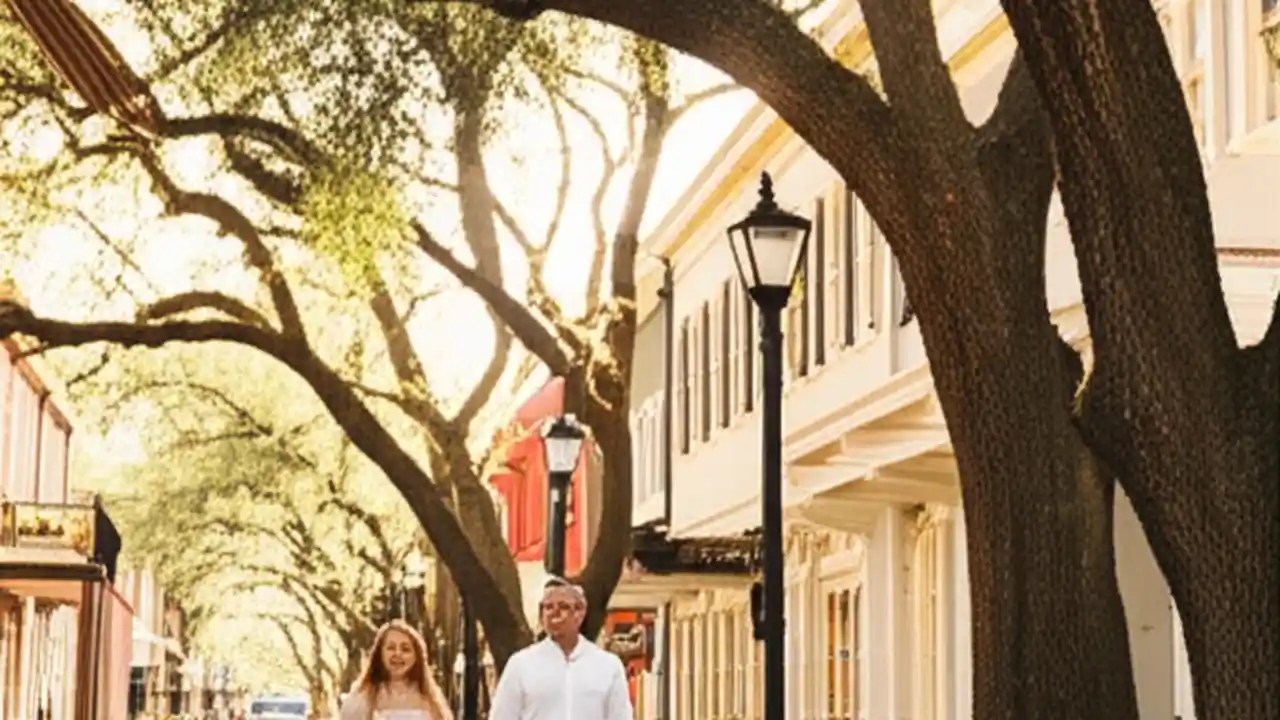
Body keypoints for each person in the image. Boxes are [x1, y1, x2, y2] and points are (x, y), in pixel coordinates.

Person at [489, 577, 633, 720]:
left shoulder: (608, 666)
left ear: (580, 613)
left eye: (563, 606)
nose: (554, 613)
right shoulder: (521, 665)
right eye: (548, 607)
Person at [340, 619, 452, 720]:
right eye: (391, 648)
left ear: (416, 657)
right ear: (380, 653)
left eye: (405, 649)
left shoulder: (432, 701)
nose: (398, 654)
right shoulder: (361, 699)